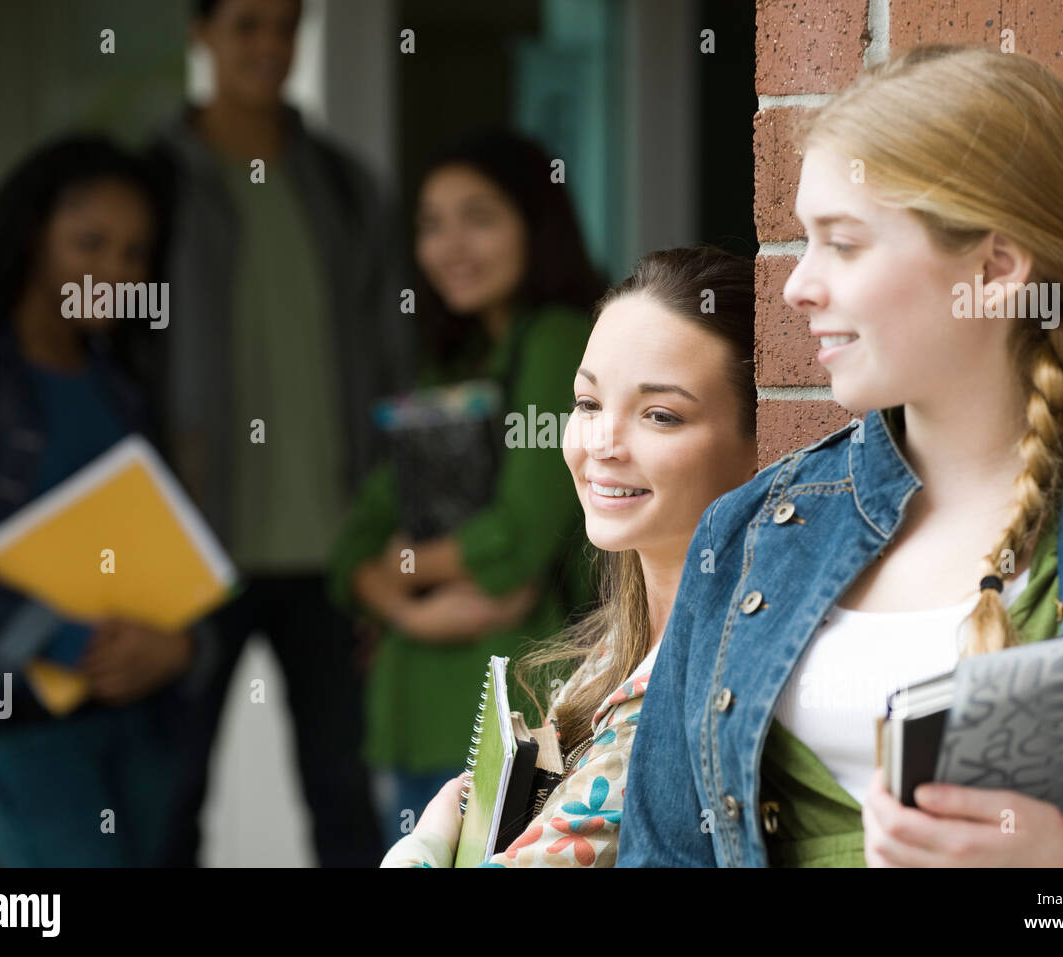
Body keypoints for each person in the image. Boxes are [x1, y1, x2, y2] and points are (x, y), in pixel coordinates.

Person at [618, 44, 1063, 868]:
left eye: (844, 244)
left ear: (996, 270)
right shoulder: (749, 531)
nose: (796, 286)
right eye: (803, 241)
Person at [379, 245, 761, 866]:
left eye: (660, 415)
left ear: (758, 444)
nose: (602, 443)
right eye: (587, 403)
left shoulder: (692, 688)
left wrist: (423, 843)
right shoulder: (622, 649)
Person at [147, 0, 411, 867]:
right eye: (246, 25)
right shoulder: (154, 181)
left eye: (285, 26)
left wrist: (390, 534)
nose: (269, 47)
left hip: (331, 551)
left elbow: (390, 372)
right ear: (201, 33)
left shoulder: (343, 184)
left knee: (342, 800)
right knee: (168, 801)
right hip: (189, 549)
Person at [0, 135, 200, 866]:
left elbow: (163, 551)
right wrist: (65, 639)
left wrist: (182, 647)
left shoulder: (122, 387)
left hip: (141, 718)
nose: (114, 271)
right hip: (16, 716)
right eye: (90, 242)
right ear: (31, 233)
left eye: (135, 253)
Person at [328, 130, 606, 849]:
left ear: (533, 224)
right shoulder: (452, 364)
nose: (452, 245)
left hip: (510, 706)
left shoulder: (559, 339)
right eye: (432, 224)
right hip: (414, 707)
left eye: (479, 217)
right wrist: (406, 603)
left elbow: (519, 538)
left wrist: (403, 569)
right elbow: (354, 545)